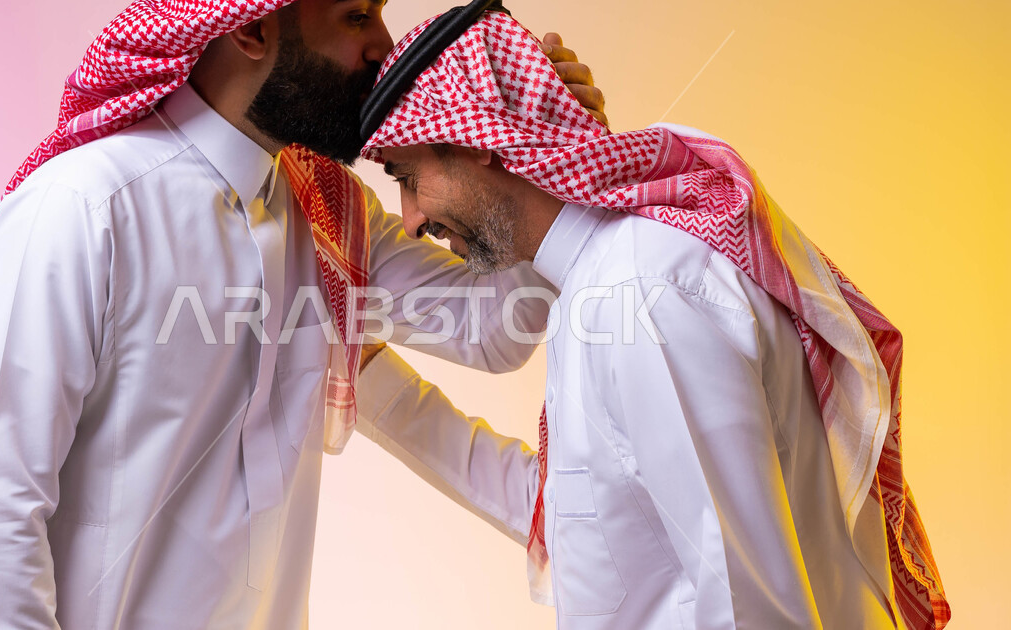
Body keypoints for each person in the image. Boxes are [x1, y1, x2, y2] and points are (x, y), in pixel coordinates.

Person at [0, 0, 607, 628]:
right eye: (357, 16)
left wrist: (551, 164)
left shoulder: (324, 211)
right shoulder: (85, 207)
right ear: (253, 29)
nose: (382, 45)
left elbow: (490, 330)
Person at [354, 9, 950, 629]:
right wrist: (368, 380)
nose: (412, 217)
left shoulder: (638, 291)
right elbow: (583, 518)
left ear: (479, 141)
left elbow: (751, 610)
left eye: (409, 177)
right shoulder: (599, 285)